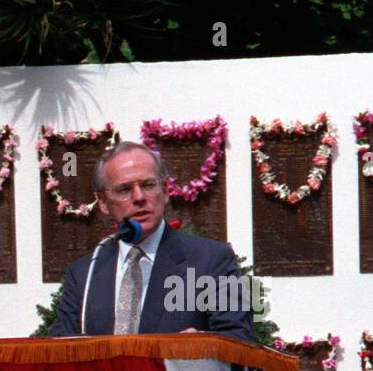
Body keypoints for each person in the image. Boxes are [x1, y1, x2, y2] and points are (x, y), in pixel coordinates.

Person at [49, 141, 255, 340]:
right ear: (103, 202)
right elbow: (60, 350)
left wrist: (203, 346)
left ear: (165, 190)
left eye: (148, 185)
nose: (139, 197)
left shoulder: (210, 261)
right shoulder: (86, 273)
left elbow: (240, 341)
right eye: (124, 189)